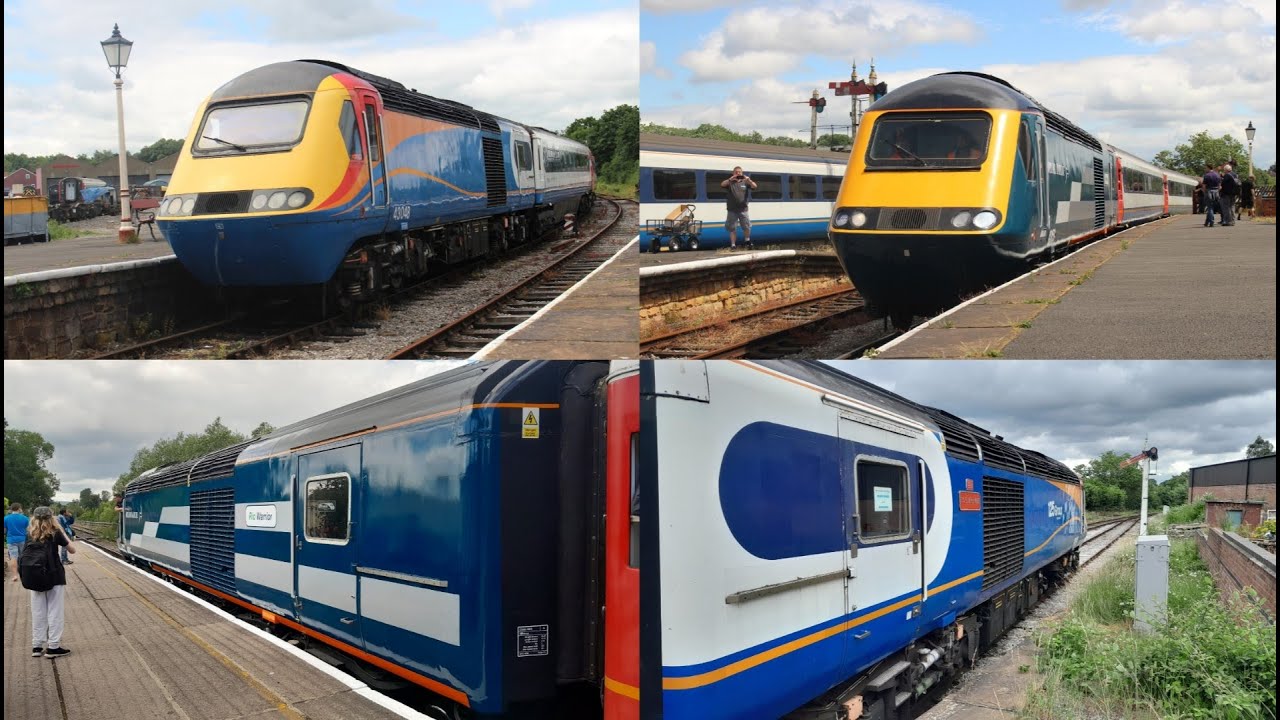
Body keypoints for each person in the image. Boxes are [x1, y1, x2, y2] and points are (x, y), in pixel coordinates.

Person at [20, 506, 75, 658]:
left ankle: (37, 646)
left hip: (35, 577)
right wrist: (62, 530)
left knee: (38, 612)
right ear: (52, 518)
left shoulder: (29, 534)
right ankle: (53, 647)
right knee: (55, 612)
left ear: (34, 518)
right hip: (54, 576)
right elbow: (72, 549)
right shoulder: (55, 532)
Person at [720, 166, 757, 250]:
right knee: (732, 228)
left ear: (742, 173)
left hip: (743, 209)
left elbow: (755, 186)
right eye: (736, 172)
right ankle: (733, 245)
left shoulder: (745, 182)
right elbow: (722, 184)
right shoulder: (730, 182)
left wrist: (749, 180)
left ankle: (747, 240)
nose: (738, 173)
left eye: (739, 172)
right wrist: (730, 179)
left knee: (746, 226)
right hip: (732, 210)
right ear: (733, 173)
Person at [5, 503, 29, 583]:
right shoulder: (25, 518)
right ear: (19, 508)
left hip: (11, 540)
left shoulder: (6, 518)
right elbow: (28, 530)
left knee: (13, 557)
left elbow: (4, 530)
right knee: (23, 556)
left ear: (11, 509)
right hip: (22, 539)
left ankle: (15, 575)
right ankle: (24, 573)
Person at [1201, 163, 1221, 227]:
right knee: (1211, 207)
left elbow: (1204, 186)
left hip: (1209, 191)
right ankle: (1207, 222)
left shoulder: (1206, 175)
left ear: (1208, 168)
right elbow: (1220, 186)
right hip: (1216, 192)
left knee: (1210, 208)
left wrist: (1204, 192)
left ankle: (1211, 222)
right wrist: (1217, 191)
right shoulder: (1217, 175)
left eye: (1205, 168)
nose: (1205, 169)